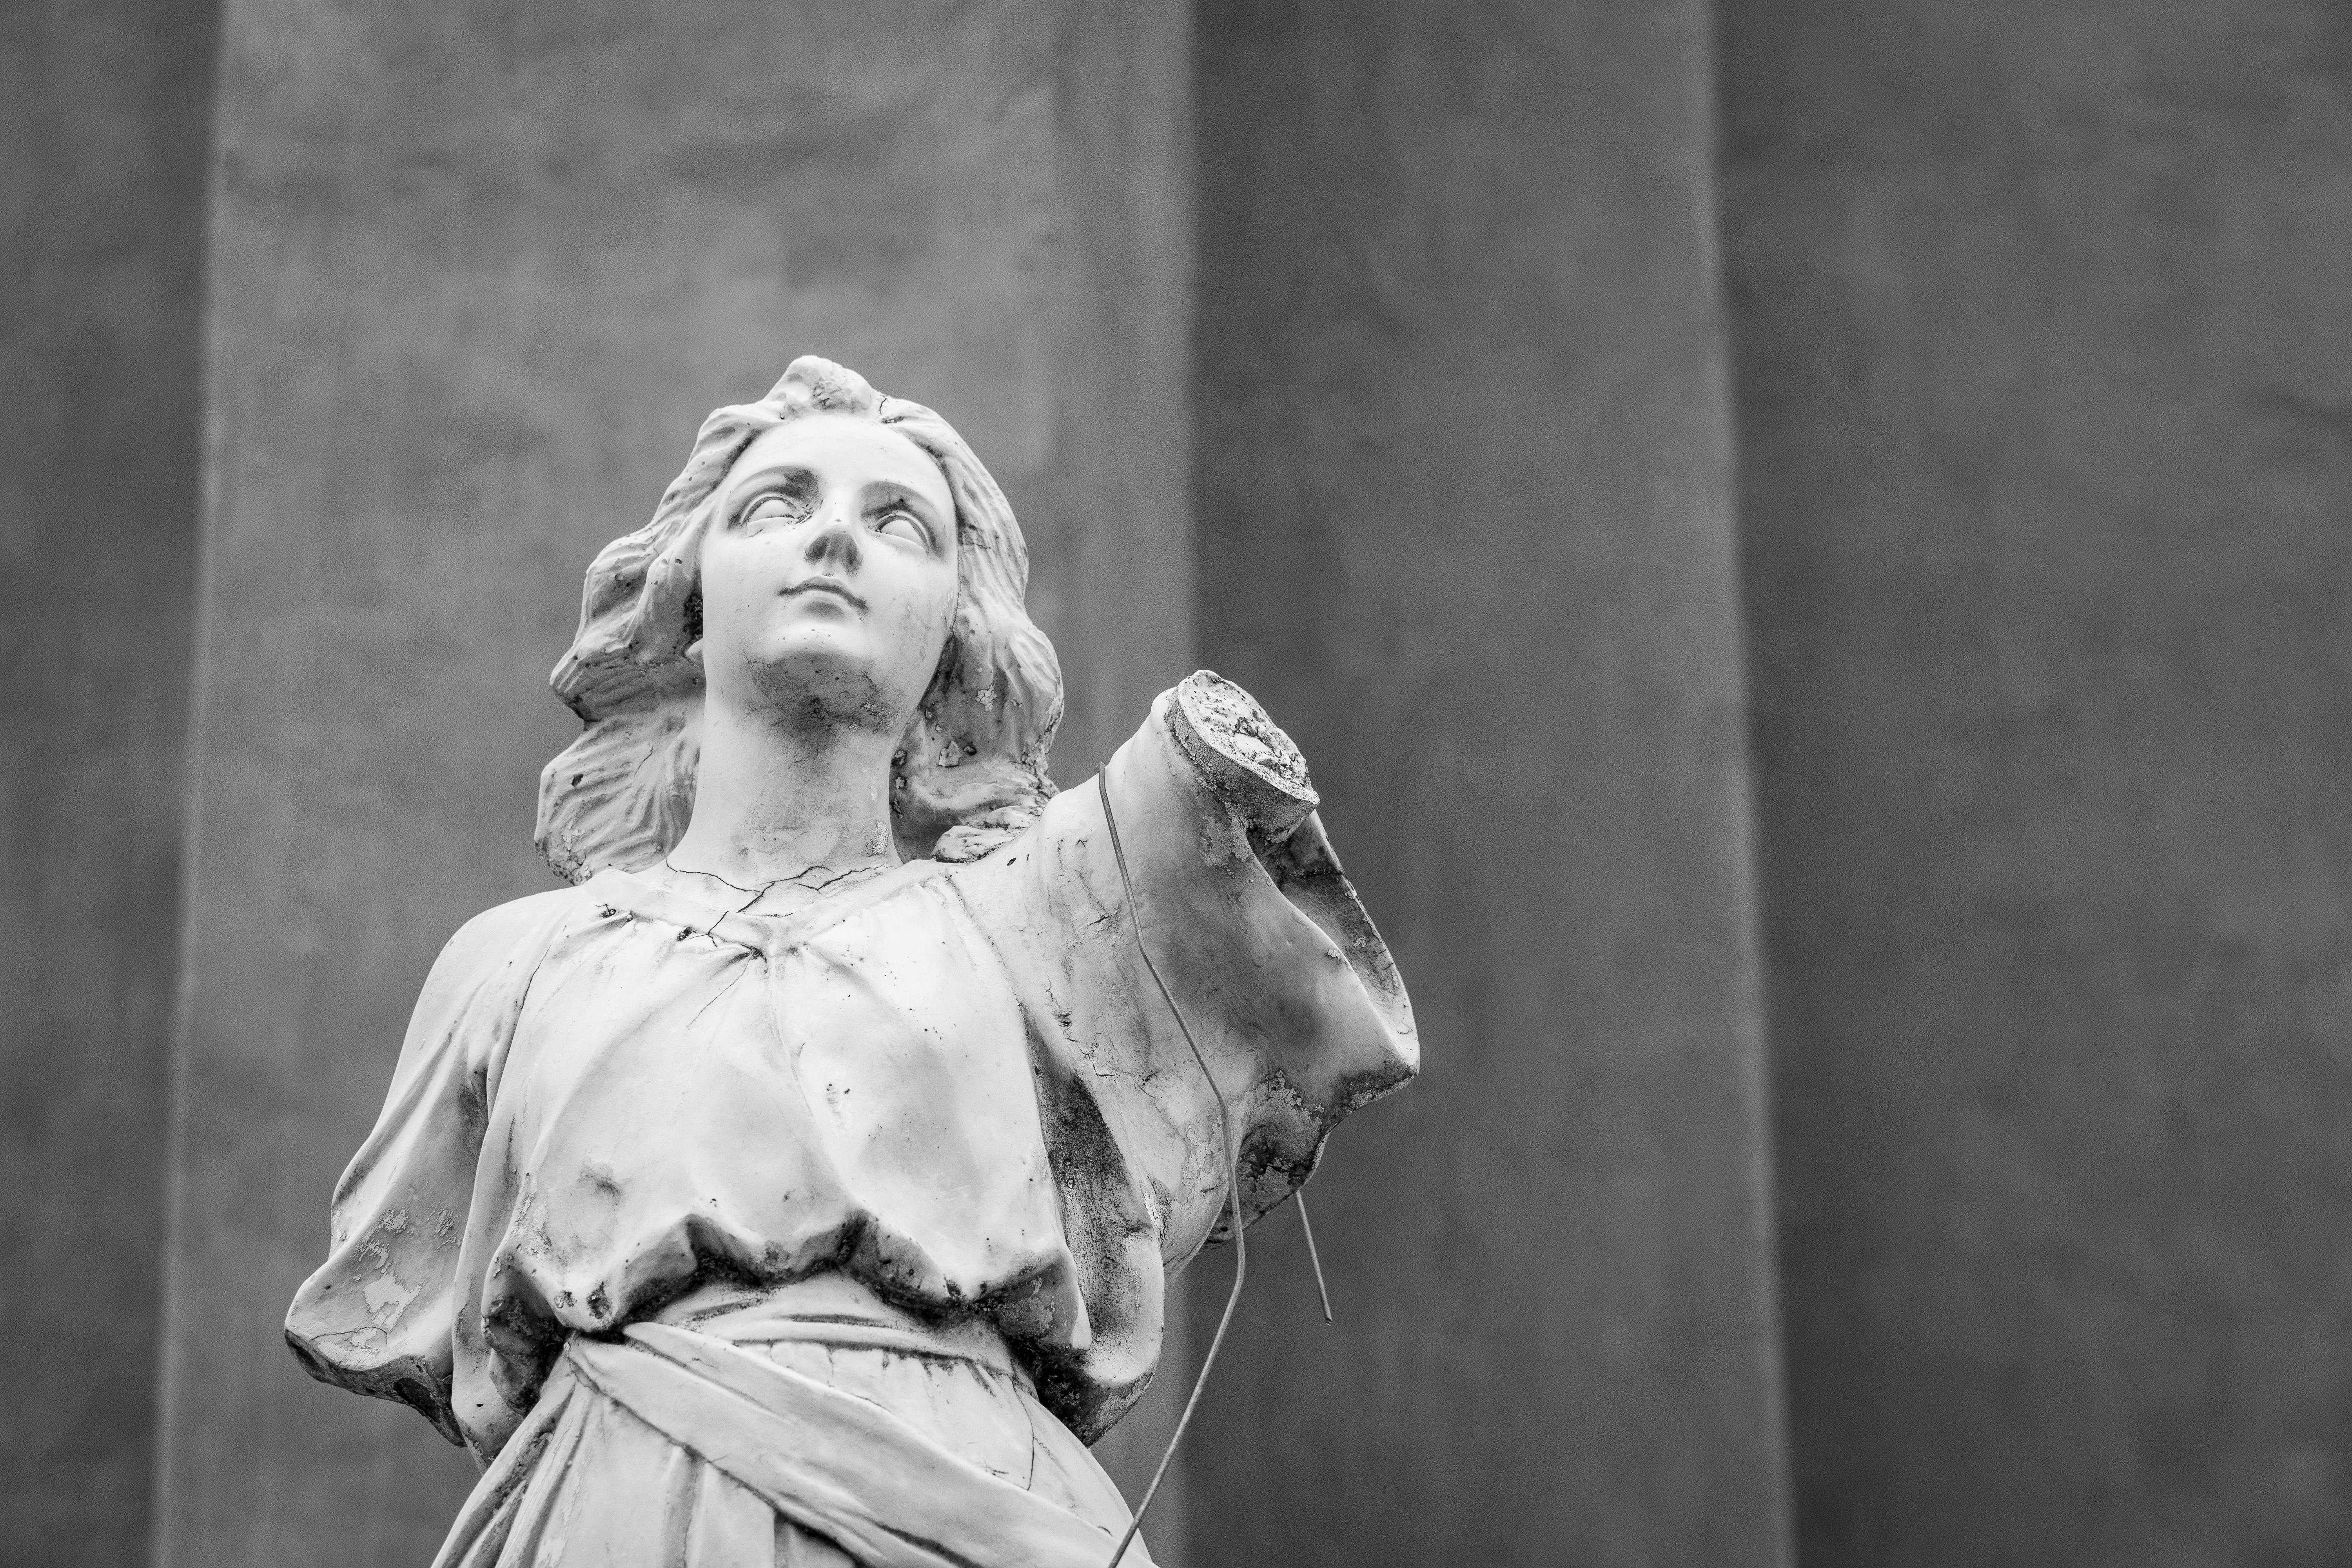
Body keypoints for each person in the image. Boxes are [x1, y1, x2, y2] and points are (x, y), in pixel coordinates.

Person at [285, 356, 1417, 1568]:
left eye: (899, 525)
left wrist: (1216, 755)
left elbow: (1225, 851)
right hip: (614, 1505)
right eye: (778, 504)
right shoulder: (512, 967)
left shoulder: (1035, 919)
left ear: (953, 639)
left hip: (968, 1509)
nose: (833, 540)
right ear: (686, 597)